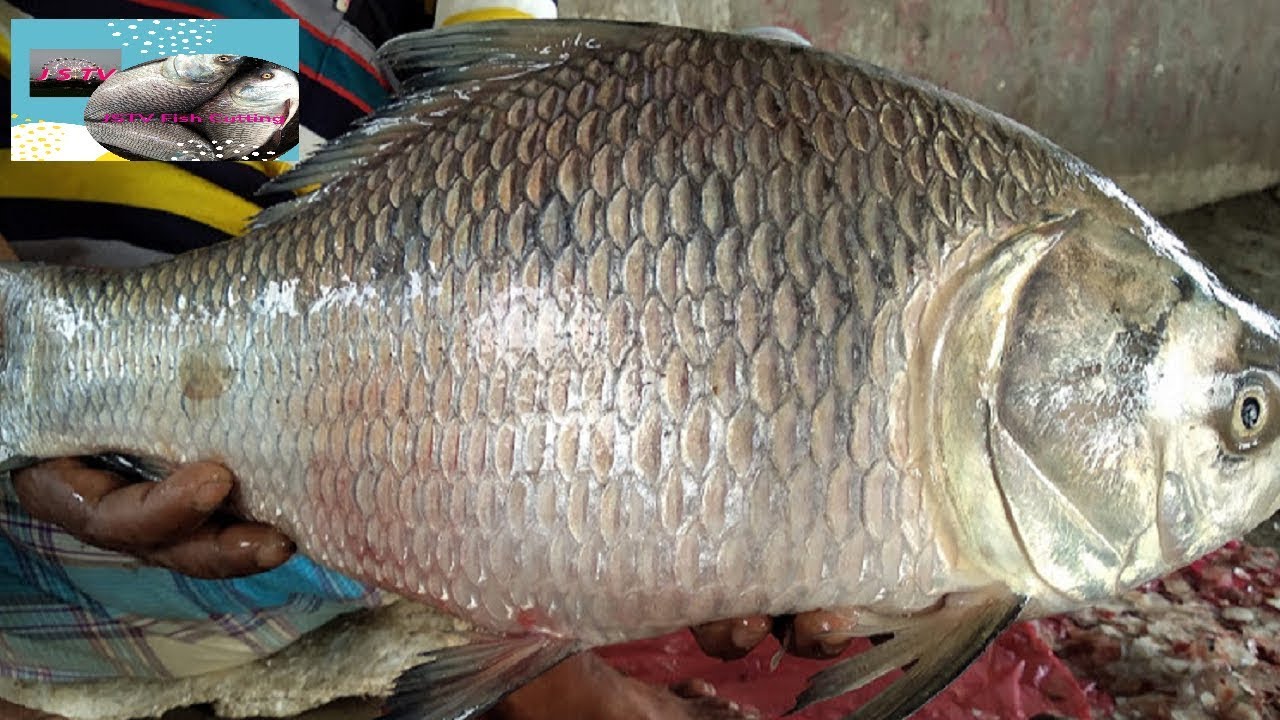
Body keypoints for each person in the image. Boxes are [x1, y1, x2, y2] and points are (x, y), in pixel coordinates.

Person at [0, 1, 855, 718]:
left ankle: (506, 613)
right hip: (43, 100)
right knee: (267, 88)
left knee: (285, 93)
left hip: (231, 109)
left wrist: (642, 122)